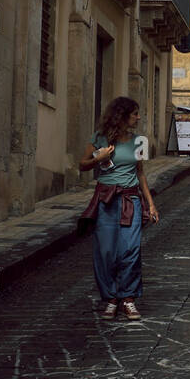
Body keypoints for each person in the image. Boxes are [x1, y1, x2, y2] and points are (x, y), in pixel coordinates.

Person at [77, 96, 159, 320]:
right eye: (134, 114)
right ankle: (111, 299)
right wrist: (98, 157)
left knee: (130, 251)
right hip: (106, 202)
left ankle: (129, 299)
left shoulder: (139, 141)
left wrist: (150, 204)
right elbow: (82, 165)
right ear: (122, 115)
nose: (138, 117)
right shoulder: (99, 138)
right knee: (105, 253)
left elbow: (140, 173)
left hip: (130, 201)